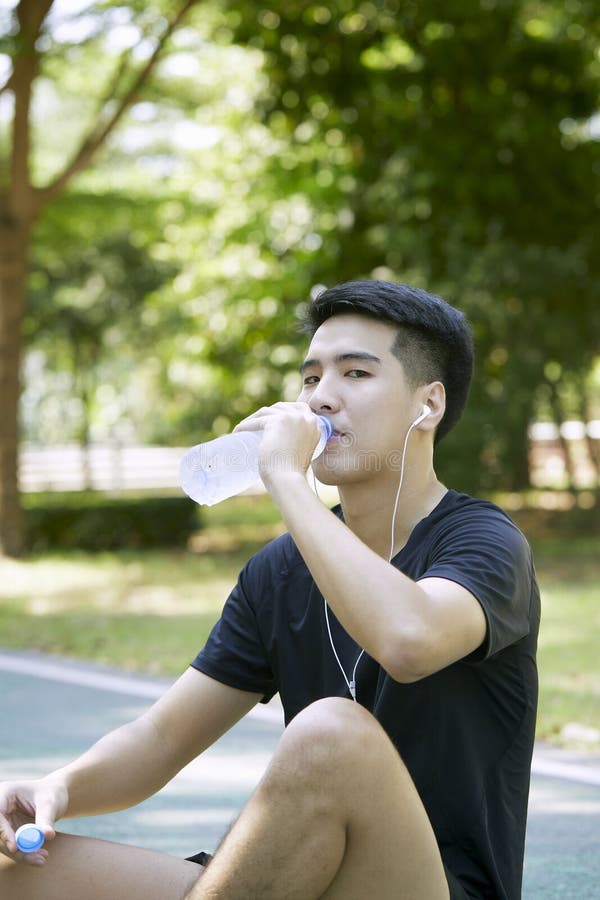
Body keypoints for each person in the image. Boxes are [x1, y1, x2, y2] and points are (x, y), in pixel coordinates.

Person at [0, 280, 540, 899]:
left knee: (331, 733)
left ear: (429, 405)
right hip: (292, 878)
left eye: (356, 374)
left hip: (428, 888)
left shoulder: (485, 542)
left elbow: (409, 640)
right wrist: (60, 787)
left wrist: (284, 476)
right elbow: (162, 738)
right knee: (15, 871)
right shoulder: (279, 570)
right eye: (311, 380)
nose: (322, 399)